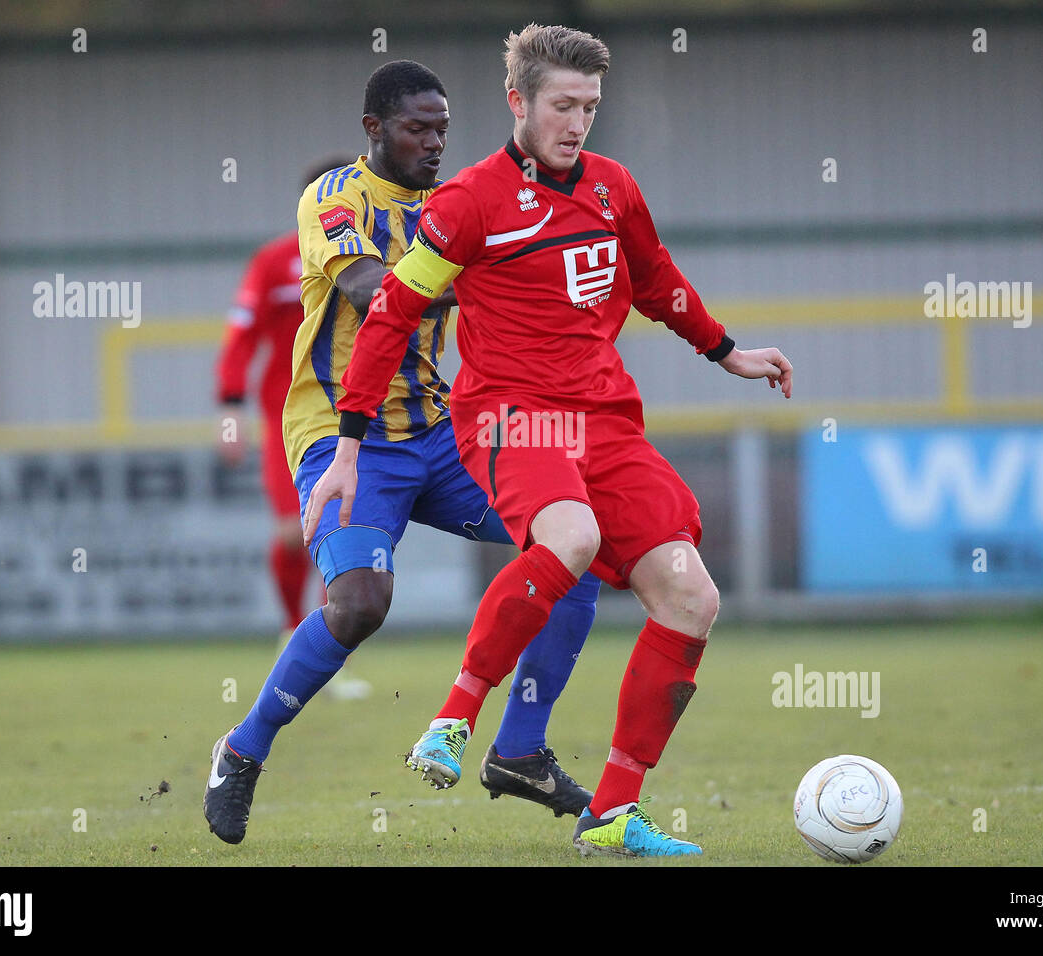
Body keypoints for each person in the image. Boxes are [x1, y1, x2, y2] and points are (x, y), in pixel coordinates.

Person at [313, 24, 793, 858]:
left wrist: (726, 350)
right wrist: (350, 442)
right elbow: (389, 313)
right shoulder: (467, 203)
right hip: (508, 411)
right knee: (572, 535)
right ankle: (456, 719)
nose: (578, 123)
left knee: (692, 597)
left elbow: (655, 279)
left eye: (591, 107)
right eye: (563, 106)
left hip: (604, 419)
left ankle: (612, 816)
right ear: (519, 104)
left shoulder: (613, 189)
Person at [204, 60, 601, 845]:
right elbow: (368, 292)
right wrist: (496, 282)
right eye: (418, 128)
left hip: (439, 432)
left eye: (444, 129)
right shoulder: (333, 199)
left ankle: (520, 746)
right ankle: (242, 750)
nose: (434, 143)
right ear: (374, 129)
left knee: (579, 543)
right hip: (340, 439)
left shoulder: (453, 203)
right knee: (359, 606)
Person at [214, 155, 372, 700]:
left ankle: (330, 653)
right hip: (290, 418)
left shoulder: (373, 260)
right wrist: (229, 408)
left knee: (342, 531)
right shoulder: (273, 262)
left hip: (358, 412)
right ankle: (291, 631)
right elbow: (240, 338)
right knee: (292, 533)